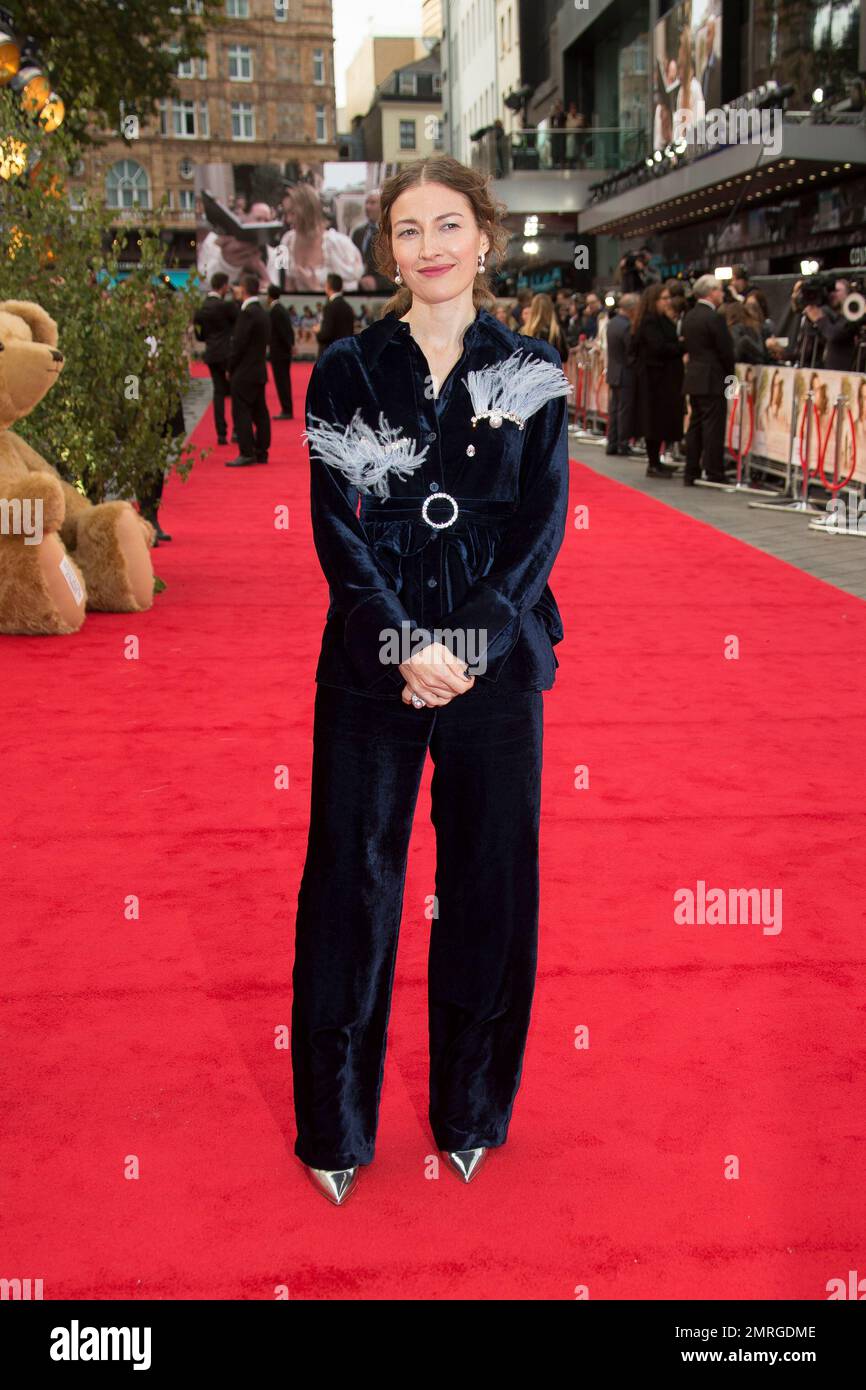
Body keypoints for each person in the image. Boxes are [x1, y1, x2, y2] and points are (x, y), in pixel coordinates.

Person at [292, 153, 570, 1206]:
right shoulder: (349, 369)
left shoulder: (532, 372)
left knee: (488, 887)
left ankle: (469, 1110)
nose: (431, 247)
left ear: (484, 237)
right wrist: (405, 640)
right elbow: (337, 525)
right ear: (388, 251)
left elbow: (537, 530)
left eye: (447, 225)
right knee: (350, 886)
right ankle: (335, 1124)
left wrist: (467, 642)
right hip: (372, 661)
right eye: (408, 231)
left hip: (496, 666)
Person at [681, 274, 735, 485]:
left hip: (694, 377)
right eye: (720, 290)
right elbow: (725, 351)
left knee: (695, 426)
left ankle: (691, 470)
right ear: (711, 292)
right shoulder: (714, 318)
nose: (722, 294)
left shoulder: (690, 316)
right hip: (712, 378)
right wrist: (731, 377)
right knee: (713, 427)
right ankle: (714, 471)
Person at [628, 283, 686, 478]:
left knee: (660, 422)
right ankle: (653, 463)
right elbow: (658, 347)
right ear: (654, 301)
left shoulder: (660, 320)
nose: (668, 302)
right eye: (664, 298)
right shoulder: (650, 321)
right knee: (654, 421)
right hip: (654, 382)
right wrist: (680, 345)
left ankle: (657, 460)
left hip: (663, 380)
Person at [226, 272, 271, 467]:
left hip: (244, 372)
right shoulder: (262, 312)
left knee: (241, 412)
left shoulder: (247, 313)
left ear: (243, 289)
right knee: (260, 412)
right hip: (258, 370)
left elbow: (238, 345)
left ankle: (246, 451)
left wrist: (230, 367)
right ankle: (261, 451)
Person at [193, 271, 239, 445]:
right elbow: (239, 324)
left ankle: (221, 434)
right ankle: (236, 431)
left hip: (211, 353)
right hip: (227, 354)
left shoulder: (201, 308)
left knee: (218, 393)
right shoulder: (226, 307)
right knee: (235, 393)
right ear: (224, 286)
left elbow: (199, 336)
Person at [605, 292, 639, 456]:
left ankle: (612, 442)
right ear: (632, 309)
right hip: (625, 372)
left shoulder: (612, 323)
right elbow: (630, 351)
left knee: (614, 409)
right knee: (624, 410)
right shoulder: (626, 326)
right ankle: (622, 443)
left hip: (613, 371)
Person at [266, 284, 295, 420]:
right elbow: (288, 330)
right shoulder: (281, 309)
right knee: (284, 381)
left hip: (279, 352)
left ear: (269, 296)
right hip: (284, 351)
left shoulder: (275, 311)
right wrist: (291, 345)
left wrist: (288, 345)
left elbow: (282, 332)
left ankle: (286, 409)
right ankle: (287, 408)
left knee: (281, 381)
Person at [520, 291, 569, 362]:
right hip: (551, 371)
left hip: (532, 371)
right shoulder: (556, 332)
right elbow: (564, 357)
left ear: (533, 309)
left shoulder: (524, 332)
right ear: (550, 309)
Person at [315, 272, 355, 354]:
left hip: (330, 354)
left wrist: (318, 331)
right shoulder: (348, 307)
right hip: (344, 352)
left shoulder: (329, 307)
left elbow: (325, 335)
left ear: (328, 286)